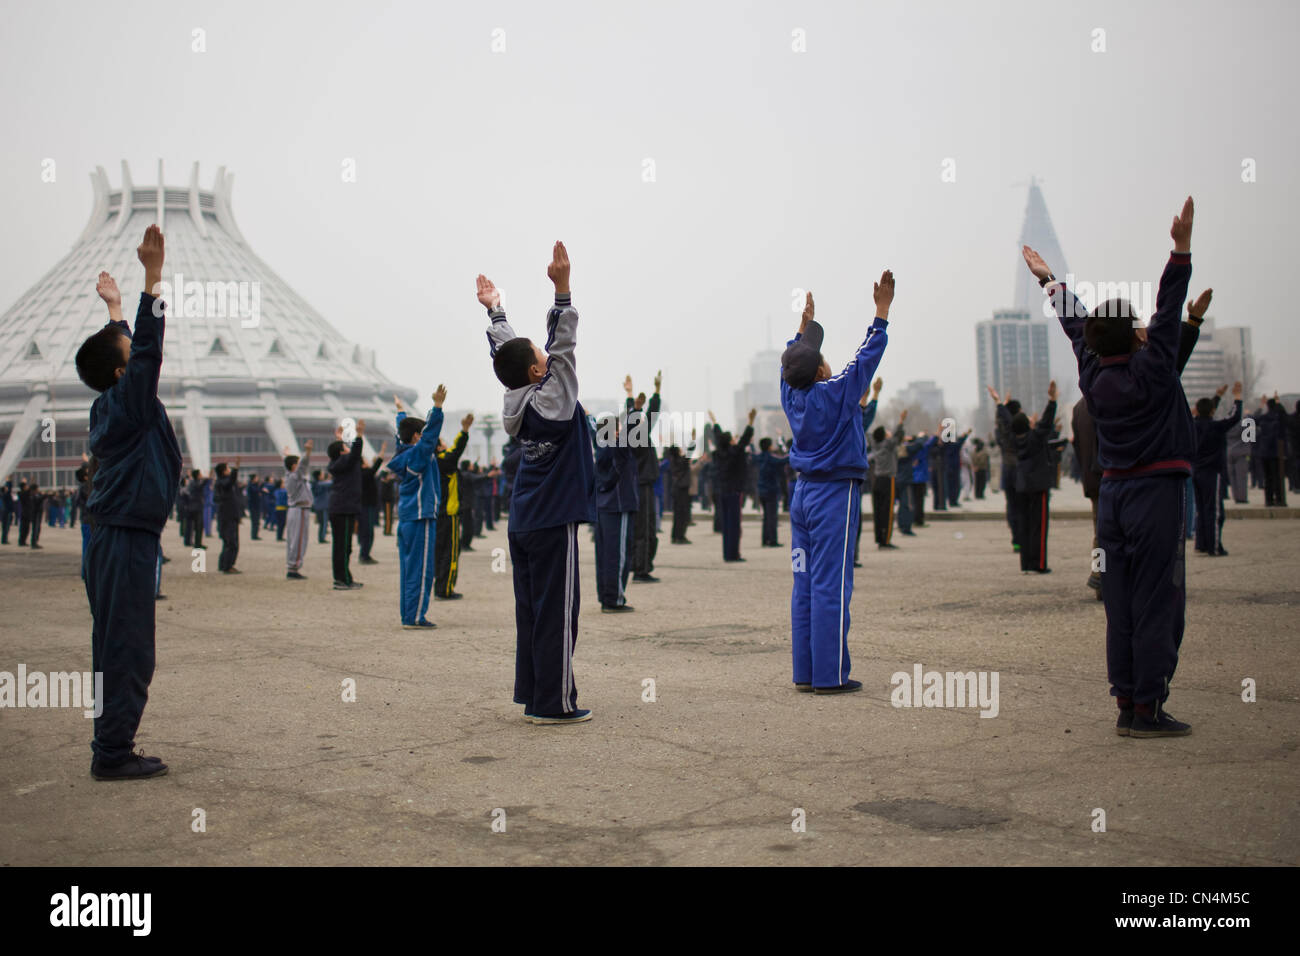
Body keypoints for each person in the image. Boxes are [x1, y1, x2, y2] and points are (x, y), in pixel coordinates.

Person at [1023, 195, 1200, 738]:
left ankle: (1126, 700)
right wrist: (1181, 249)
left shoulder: (1093, 374)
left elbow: (1076, 326)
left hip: (1115, 501)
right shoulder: (1154, 370)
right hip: (1155, 495)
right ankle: (1148, 707)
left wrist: (1049, 280)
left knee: (1119, 604)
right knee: (1158, 602)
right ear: (1137, 335)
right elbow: (1169, 309)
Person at [73, 230, 179, 779]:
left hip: (116, 534)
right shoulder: (131, 400)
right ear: (123, 373)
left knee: (115, 641)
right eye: (125, 347)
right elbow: (148, 347)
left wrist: (114, 309)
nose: (132, 344)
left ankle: (109, 744)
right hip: (125, 537)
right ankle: (112, 753)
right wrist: (152, 278)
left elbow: (129, 349)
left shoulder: (112, 404)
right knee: (129, 649)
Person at [480, 242, 595, 724]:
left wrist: (496, 311)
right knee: (558, 613)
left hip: (524, 521)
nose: (546, 357)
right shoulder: (552, 400)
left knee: (532, 613)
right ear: (536, 370)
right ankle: (554, 703)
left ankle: (534, 695)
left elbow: (507, 351)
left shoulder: (518, 397)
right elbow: (562, 349)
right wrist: (562, 292)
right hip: (552, 521)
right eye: (539, 357)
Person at [781, 278, 892, 695]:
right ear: (822, 370)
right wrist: (880, 314)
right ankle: (830, 675)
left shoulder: (790, 395)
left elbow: (788, 367)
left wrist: (801, 329)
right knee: (831, 582)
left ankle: (806, 672)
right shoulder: (835, 395)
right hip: (833, 495)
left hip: (802, 496)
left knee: (804, 583)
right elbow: (865, 362)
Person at [389, 388, 447, 628]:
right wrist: (438, 407)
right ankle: (415, 616)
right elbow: (430, 436)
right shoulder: (419, 454)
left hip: (408, 517)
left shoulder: (403, 451)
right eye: (419, 434)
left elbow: (402, 432)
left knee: (408, 569)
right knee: (422, 570)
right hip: (421, 516)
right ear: (416, 437)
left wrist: (401, 412)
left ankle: (408, 614)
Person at [1012, 383, 1060, 574]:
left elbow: (1010, 422)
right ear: (1028, 425)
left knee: (1024, 526)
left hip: (1022, 486)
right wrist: (1052, 400)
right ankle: (1039, 564)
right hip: (1038, 485)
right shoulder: (1034, 438)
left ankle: (1025, 564)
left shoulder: (1014, 440)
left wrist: (1001, 405)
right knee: (1039, 526)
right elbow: (1047, 422)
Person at [592, 409, 637, 612]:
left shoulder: (599, 447)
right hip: (618, 506)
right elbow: (633, 430)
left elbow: (591, 425)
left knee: (604, 555)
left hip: (603, 506)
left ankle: (605, 596)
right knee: (618, 555)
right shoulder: (617, 447)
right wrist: (633, 407)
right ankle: (614, 599)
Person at [1192, 383, 1243, 556]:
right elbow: (1234, 417)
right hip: (1212, 472)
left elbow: (1206, 411)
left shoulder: (1191, 426)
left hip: (1196, 472)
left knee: (1200, 510)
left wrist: (1217, 396)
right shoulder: (1215, 427)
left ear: (1196, 411)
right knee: (1213, 510)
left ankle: (1201, 544)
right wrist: (1237, 398)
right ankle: (1214, 546)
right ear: (1212, 412)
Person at [626, 373, 661, 582]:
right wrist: (656, 392)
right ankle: (641, 569)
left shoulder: (633, 436)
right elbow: (653, 416)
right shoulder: (637, 436)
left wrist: (631, 396)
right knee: (644, 528)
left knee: (643, 528)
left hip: (639, 484)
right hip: (642, 485)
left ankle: (640, 565)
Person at [710, 409, 756, 562]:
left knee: (726, 525)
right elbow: (744, 440)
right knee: (734, 524)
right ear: (730, 441)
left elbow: (719, 437)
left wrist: (714, 421)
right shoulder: (734, 452)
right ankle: (733, 554)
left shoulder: (718, 454)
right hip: (734, 491)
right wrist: (750, 422)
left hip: (722, 491)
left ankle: (727, 553)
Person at [434, 414, 472, 599]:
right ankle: (445, 588)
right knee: (450, 553)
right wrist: (464, 431)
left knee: (439, 552)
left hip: (438, 513)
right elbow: (456, 451)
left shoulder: (432, 461)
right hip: (449, 512)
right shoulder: (443, 460)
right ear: (439, 447)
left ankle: (440, 586)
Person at [327, 420, 366, 590]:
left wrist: (339, 439)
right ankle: (341, 579)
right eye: (345, 447)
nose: (348, 449)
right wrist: (359, 435)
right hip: (343, 509)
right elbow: (355, 454)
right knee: (342, 547)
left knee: (345, 546)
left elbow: (353, 456)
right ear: (342, 452)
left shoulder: (340, 463)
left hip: (344, 508)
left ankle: (346, 577)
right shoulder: (343, 462)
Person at [867, 410, 907, 549]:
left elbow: (870, 435)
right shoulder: (887, 445)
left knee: (877, 512)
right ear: (884, 436)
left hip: (876, 480)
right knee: (888, 512)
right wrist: (901, 421)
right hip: (888, 480)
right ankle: (886, 540)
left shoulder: (874, 445)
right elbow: (896, 436)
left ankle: (879, 538)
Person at [284, 440, 314, 579]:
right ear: (294, 466)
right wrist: (307, 452)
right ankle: (294, 567)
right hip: (300, 509)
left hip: (294, 510)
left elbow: (293, 467)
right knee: (299, 540)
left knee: (293, 539)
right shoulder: (295, 476)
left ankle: (292, 565)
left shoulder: (290, 476)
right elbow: (303, 466)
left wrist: (286, 456)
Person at [756, 438, 788, 547]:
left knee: (766, 516)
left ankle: (765, 539)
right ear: (769, 446)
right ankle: (773, 540)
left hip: (761, 489)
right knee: (772, 516)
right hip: (771, 490)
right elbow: (783, 460)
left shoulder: (759, 457)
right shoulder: (771, 458)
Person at [358, 444, 386, 564]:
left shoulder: (362, 473)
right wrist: (382, 451)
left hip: (365, 504)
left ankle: (364, 553)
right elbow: (376, 466)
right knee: (368, 531)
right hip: (367, 505)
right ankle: (364, 555)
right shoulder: (364, 472)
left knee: (366, 530)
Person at [213, 458, 242, 573]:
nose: (229, 470)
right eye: (228, 469)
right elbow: (231, 481)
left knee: (227, 541)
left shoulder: (220, 483)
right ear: (224, 472)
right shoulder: (223, 482)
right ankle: (227, 565)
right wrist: (236, 468)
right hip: (228, 516)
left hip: (228, 515)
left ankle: (223, 564)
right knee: (232, 542)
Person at [246, 474, 263, 540]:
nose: (257, 479)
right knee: (255, 521)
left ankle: (256, 534)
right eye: (256, 478)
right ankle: (254, 535)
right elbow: (255, 492)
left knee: (257, 521)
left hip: (257, 505)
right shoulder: (251, 485)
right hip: (253, 506)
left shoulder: (255, 485)